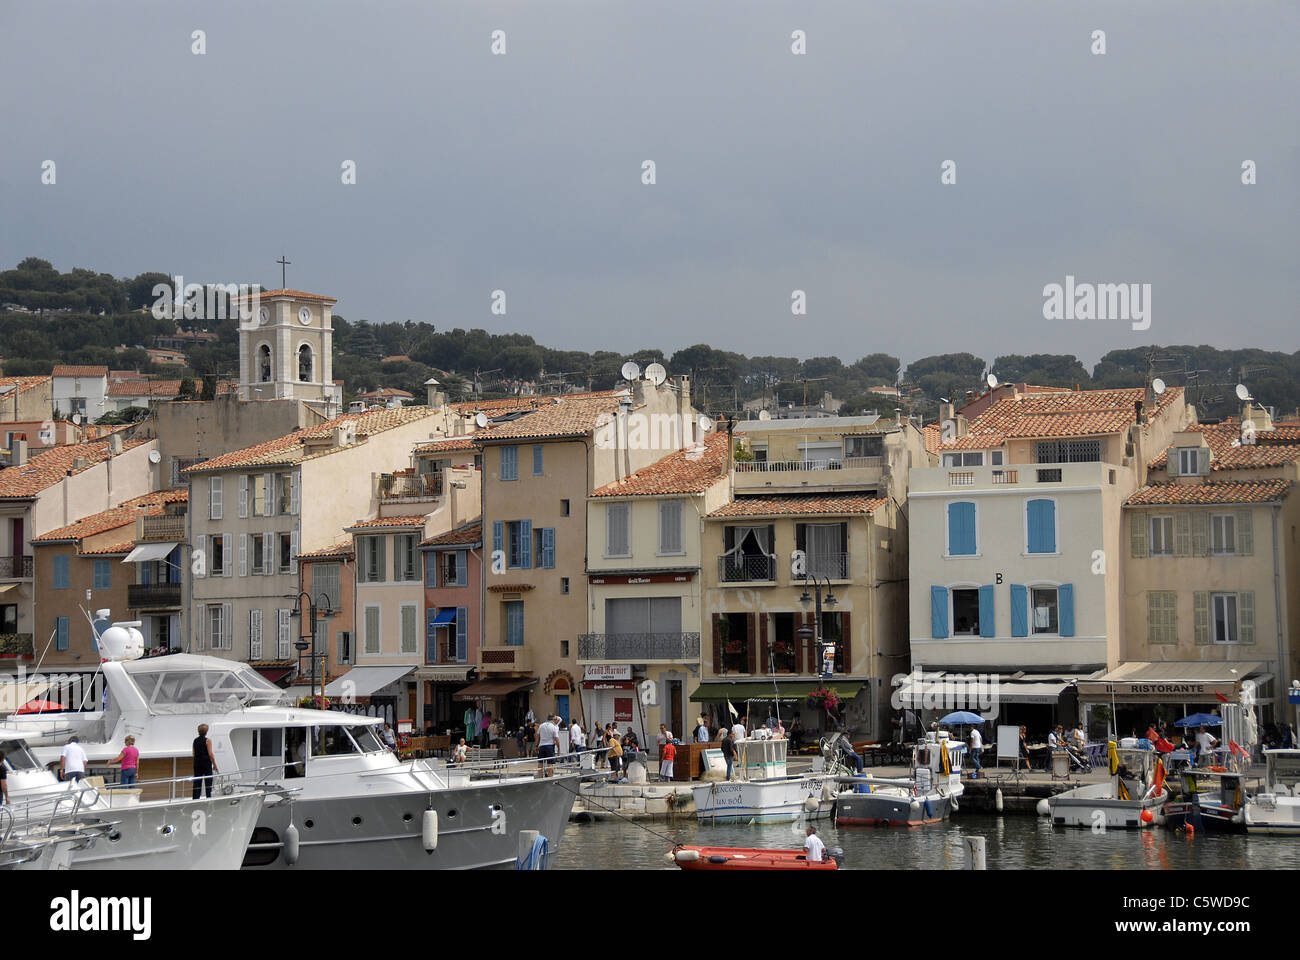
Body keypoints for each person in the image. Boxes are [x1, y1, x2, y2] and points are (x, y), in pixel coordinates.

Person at [192, 723, 216, 799]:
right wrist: (215, 765)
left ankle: (195, 799)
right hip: (206, 764)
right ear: (206, 731)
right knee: (208, 783)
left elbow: (193, 753)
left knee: (197, 783)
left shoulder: (195, 740)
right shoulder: (208, 741)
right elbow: (210, 754)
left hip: (197, 764)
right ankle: (208, 798)